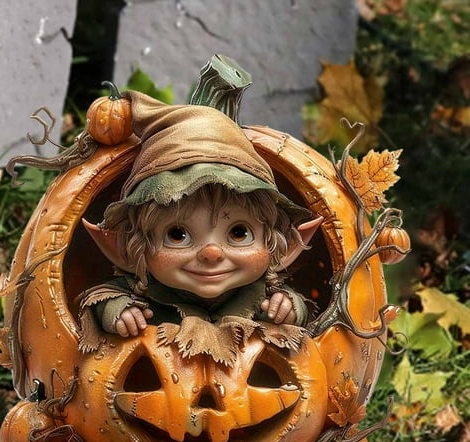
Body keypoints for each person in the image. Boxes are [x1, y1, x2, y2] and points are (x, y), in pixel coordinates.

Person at [78, 90, 321, 359]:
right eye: (177, 234)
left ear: (274, 242)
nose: (211, 253)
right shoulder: (144, 290)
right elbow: (100, 299)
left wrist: (289, 307)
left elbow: (301, 314)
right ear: (136, 247)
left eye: (239, 233)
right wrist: (118, 312)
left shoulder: (263, 293)